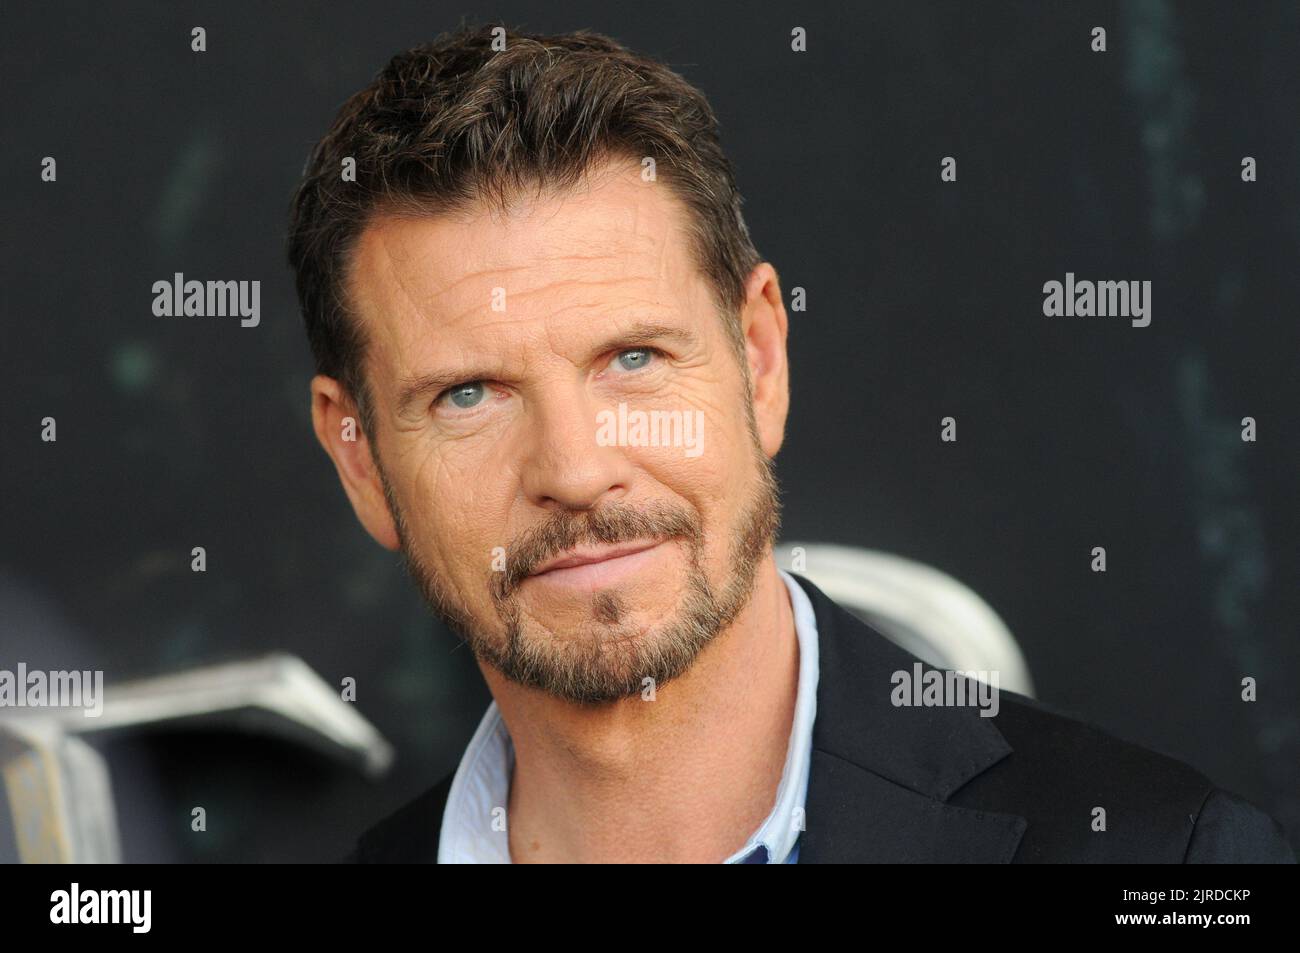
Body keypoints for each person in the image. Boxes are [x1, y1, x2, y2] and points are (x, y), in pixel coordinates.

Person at [286, 25, 1295, 863]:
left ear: (758, 358)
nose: (575, 466)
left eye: (632, 357)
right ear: (361, 457)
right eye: (469, 392)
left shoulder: (1167, 858)